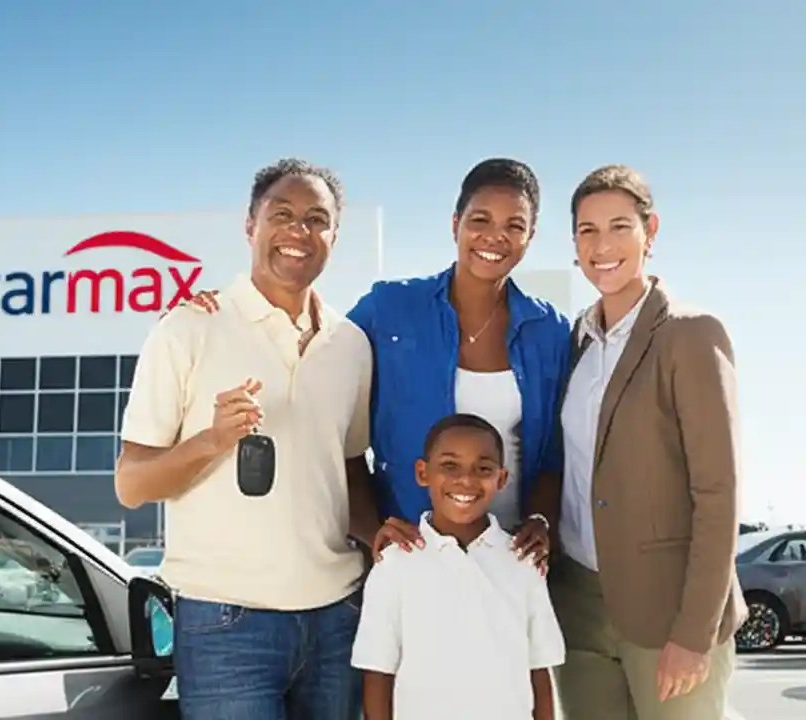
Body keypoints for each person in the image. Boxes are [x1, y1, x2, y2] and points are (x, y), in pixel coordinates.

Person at [182, 159, 569, 568]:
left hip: (511, 566)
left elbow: (553, 458)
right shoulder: (390, 309)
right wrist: (222, 311)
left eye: (514, 226)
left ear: (531, 236)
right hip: (408, 563)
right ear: (455, 223)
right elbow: (308, 349)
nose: (495, 237)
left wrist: (541, 521)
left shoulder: (551, 332)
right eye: (480, 219)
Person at [115, 158, 380, 719]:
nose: (298, 231)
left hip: (337, 620)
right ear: (250, 225)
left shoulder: (351, 345)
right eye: (281, 214)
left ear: (335, 235)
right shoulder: (189, 327)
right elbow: (131, 484)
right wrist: (211, 440)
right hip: (226, 623)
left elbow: (349, 467)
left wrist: (388, 543)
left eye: (317, 219)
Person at [549, 164, 745, 720]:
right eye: (587, 231)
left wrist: (694, 629)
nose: (602, 245)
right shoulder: (576, 343)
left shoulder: (690, 333)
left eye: (619, 227)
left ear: (649, 232)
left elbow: (719, 490)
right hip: (580, 604)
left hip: (668, 612)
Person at [351, 413, 565, 720]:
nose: (466, 480)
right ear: (423, 473)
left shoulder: (523, 562)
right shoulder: (394, 564)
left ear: (502, 479)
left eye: (483, 468)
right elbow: (377, 673)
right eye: (450, 466)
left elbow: (539, 670)